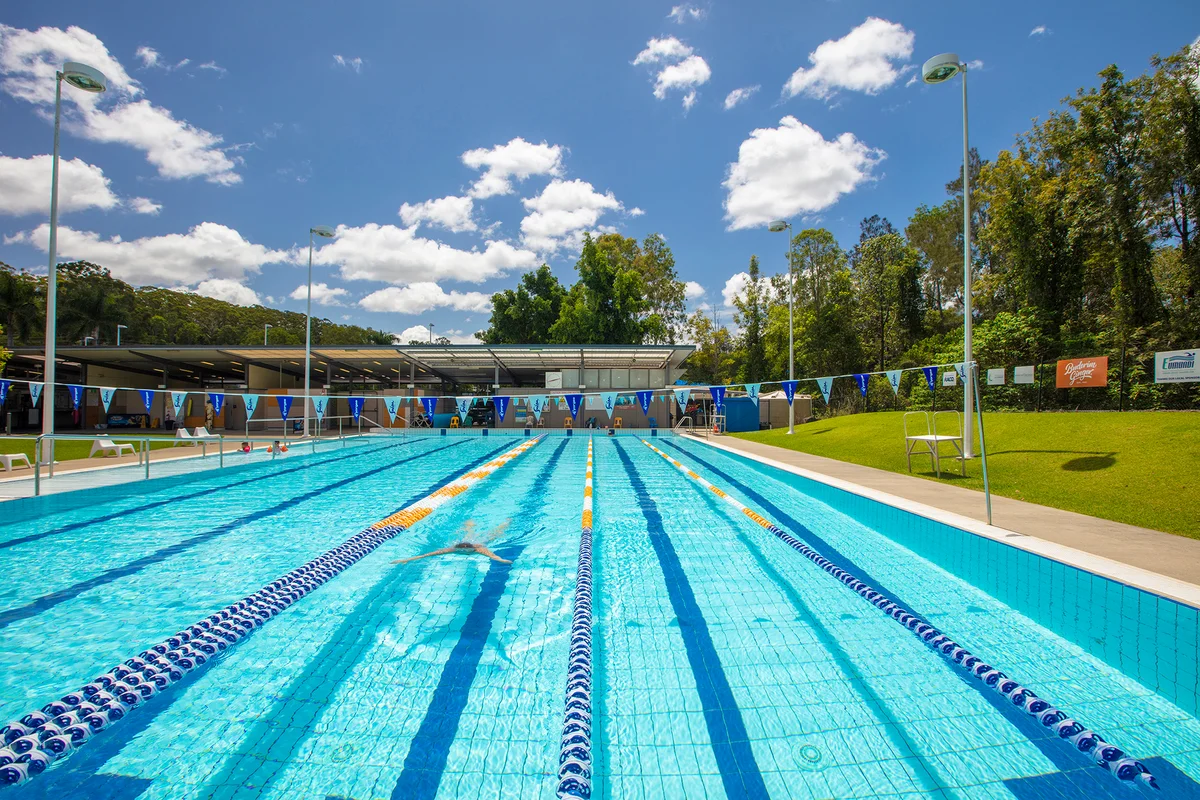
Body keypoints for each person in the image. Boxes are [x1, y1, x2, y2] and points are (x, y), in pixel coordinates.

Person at [396, 520, 512, 564]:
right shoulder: (451, 549)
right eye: (461, 550)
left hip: (481, 541)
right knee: (468, 536)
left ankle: (505, 524)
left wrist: (502, 560)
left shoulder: (480, 549)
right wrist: (406, 559)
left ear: (472, 549)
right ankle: (469, 525)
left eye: (465, 551)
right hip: (469, 543)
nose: (462, 552)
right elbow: (426, 555)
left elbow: (493, 556)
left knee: (493, 535)